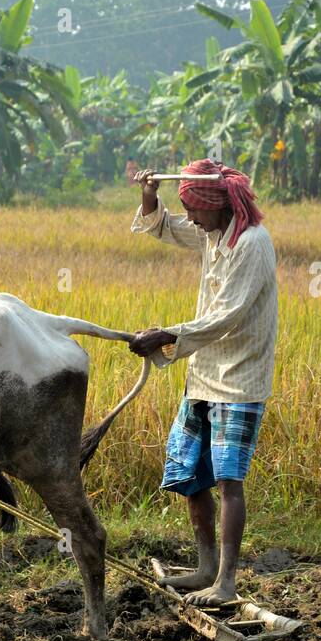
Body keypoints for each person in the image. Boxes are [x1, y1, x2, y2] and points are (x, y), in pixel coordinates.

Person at [125, 159, 278, 606]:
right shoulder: (213, 233)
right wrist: (149, 197)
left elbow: (227, 315)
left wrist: (168, 335)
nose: (189, 216)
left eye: (194, 208)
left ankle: (226, 581)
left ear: (218, 205)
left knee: (229, 480)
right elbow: (166, 227)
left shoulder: (252, 243)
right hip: (204, 373)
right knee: (192, 474)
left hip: (239, 377)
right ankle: (205, 566)